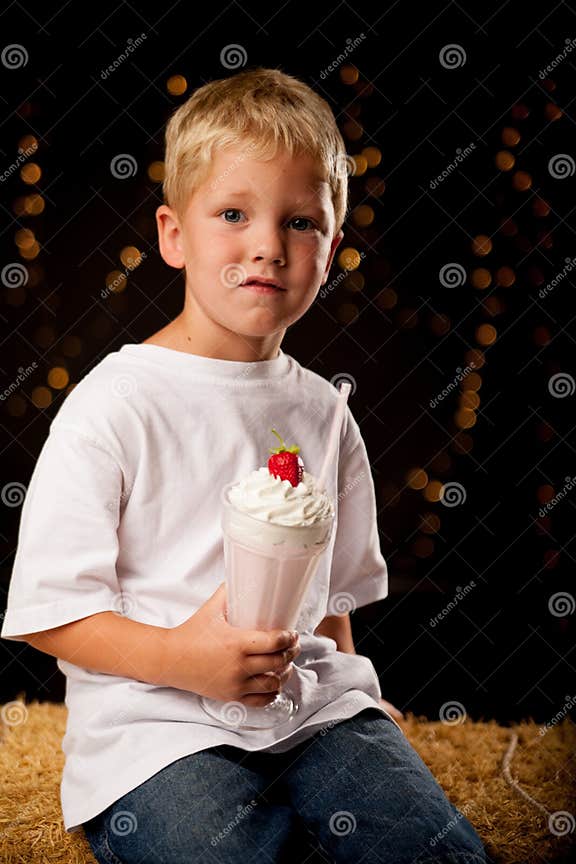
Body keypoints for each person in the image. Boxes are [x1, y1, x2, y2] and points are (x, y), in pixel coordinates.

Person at [1, 67, 489, 863]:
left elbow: (328, 592)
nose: (267, 244)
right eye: (233, 213)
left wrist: (354, 692)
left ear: (330, 249)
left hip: (310, 713)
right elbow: (52, 611)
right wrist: (182, 660)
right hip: (156, 729)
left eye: (300, 222)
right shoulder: (116, 403)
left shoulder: (324, 412)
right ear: (173, 234)